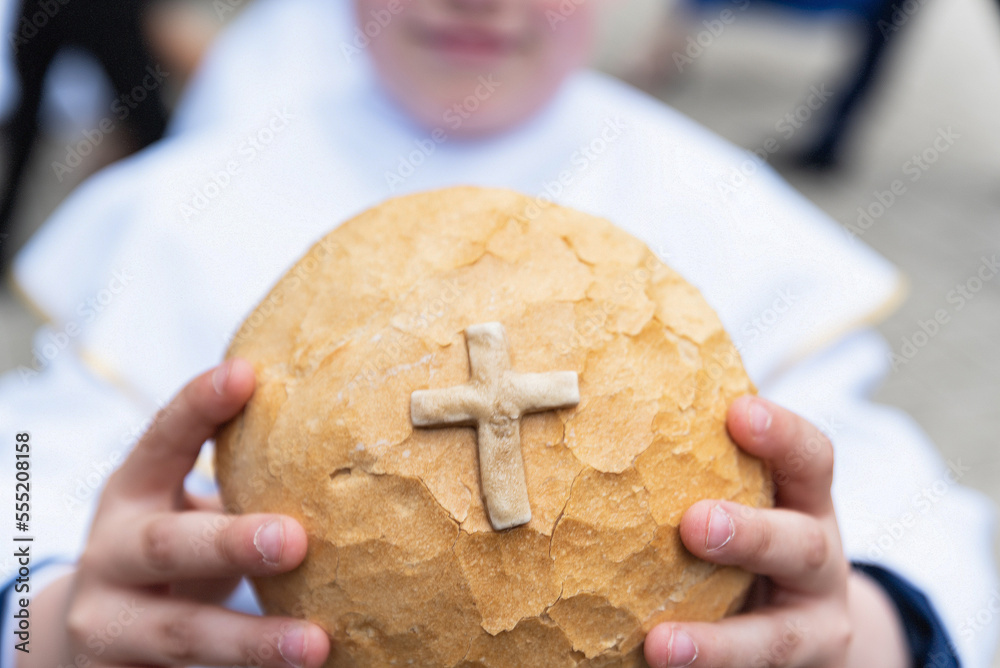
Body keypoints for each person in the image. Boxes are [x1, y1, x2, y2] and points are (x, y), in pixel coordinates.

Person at [1, 1, 996, 666]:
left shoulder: (721, 213)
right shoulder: (182, 206)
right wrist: (49, 622)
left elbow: (910, 518)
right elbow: (28, 467)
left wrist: (858, 626)